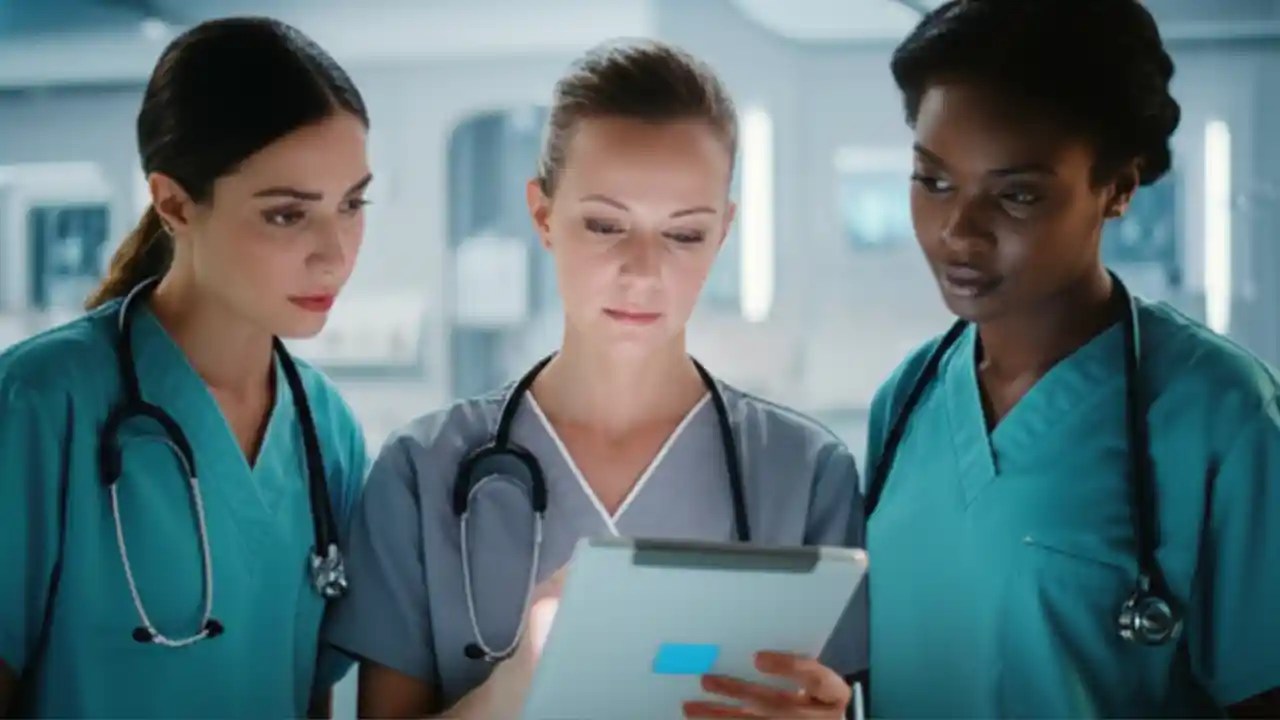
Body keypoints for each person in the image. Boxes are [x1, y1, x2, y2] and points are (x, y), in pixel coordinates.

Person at [324, 39, 865, 719]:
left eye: (684, 234)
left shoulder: (805, 475)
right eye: (606, 225)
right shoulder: (424, 470)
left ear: (724, 232)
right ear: (543, 216)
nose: (642, 271)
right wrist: (509, 692)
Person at [863, 0, 1280, 716]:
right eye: (934, 181)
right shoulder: (906, 401)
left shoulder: (1220, 414)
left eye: (1017, 195)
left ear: (1117, 188)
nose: (959, 231)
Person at [0, 17, 372, 719]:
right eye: (287, 215)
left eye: (352, 204)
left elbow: (306, 697)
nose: (335, 253)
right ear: (174, 204)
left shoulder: (325, 429)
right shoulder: (39, 404)